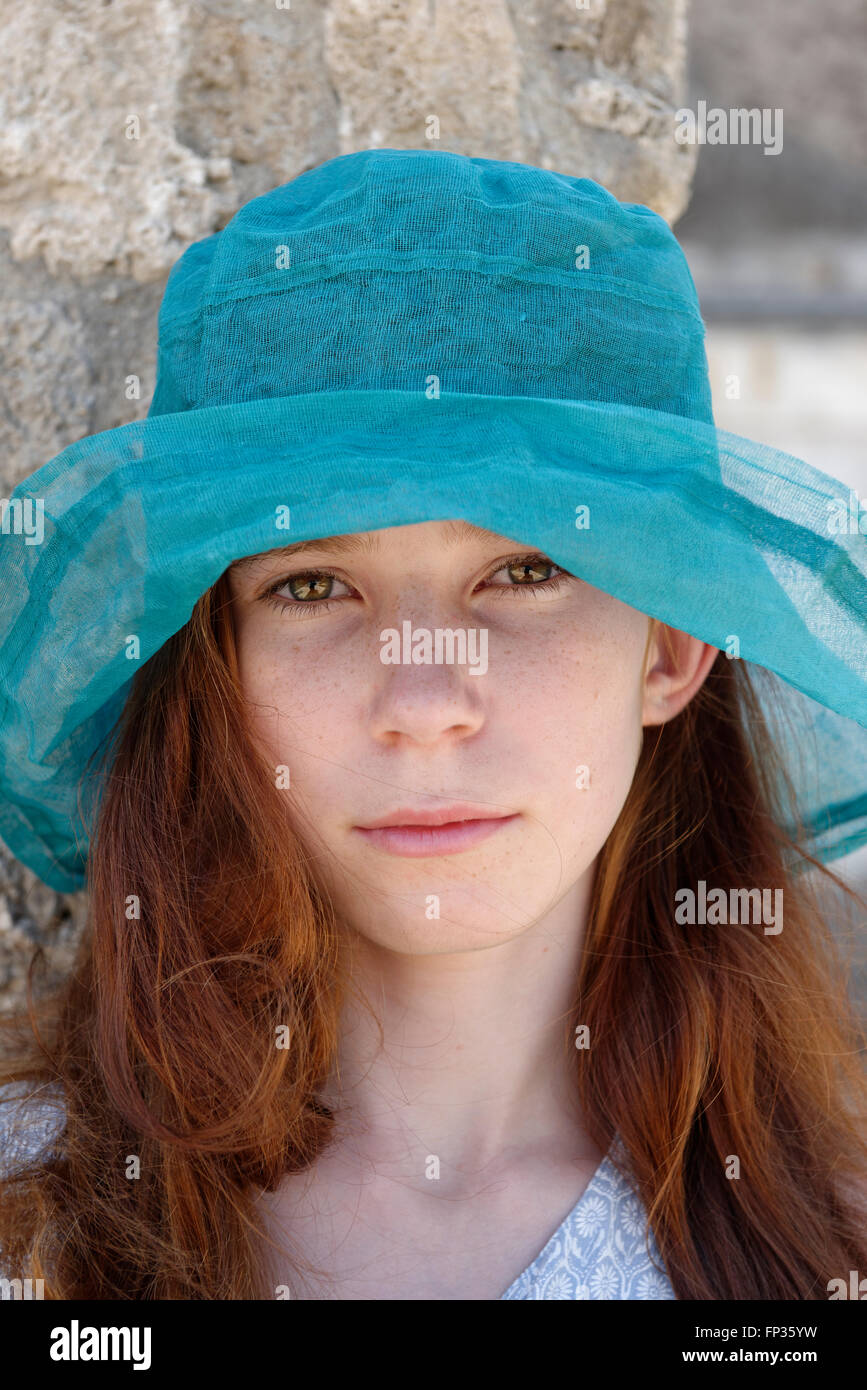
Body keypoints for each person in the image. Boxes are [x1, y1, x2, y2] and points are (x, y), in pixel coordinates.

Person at [0, 147, 865, 1301]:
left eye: (522, 569)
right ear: (218, 669)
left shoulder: (831, 1251)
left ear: (669, 643)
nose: (422, 701)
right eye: (311, 586)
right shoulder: (31, 1229)